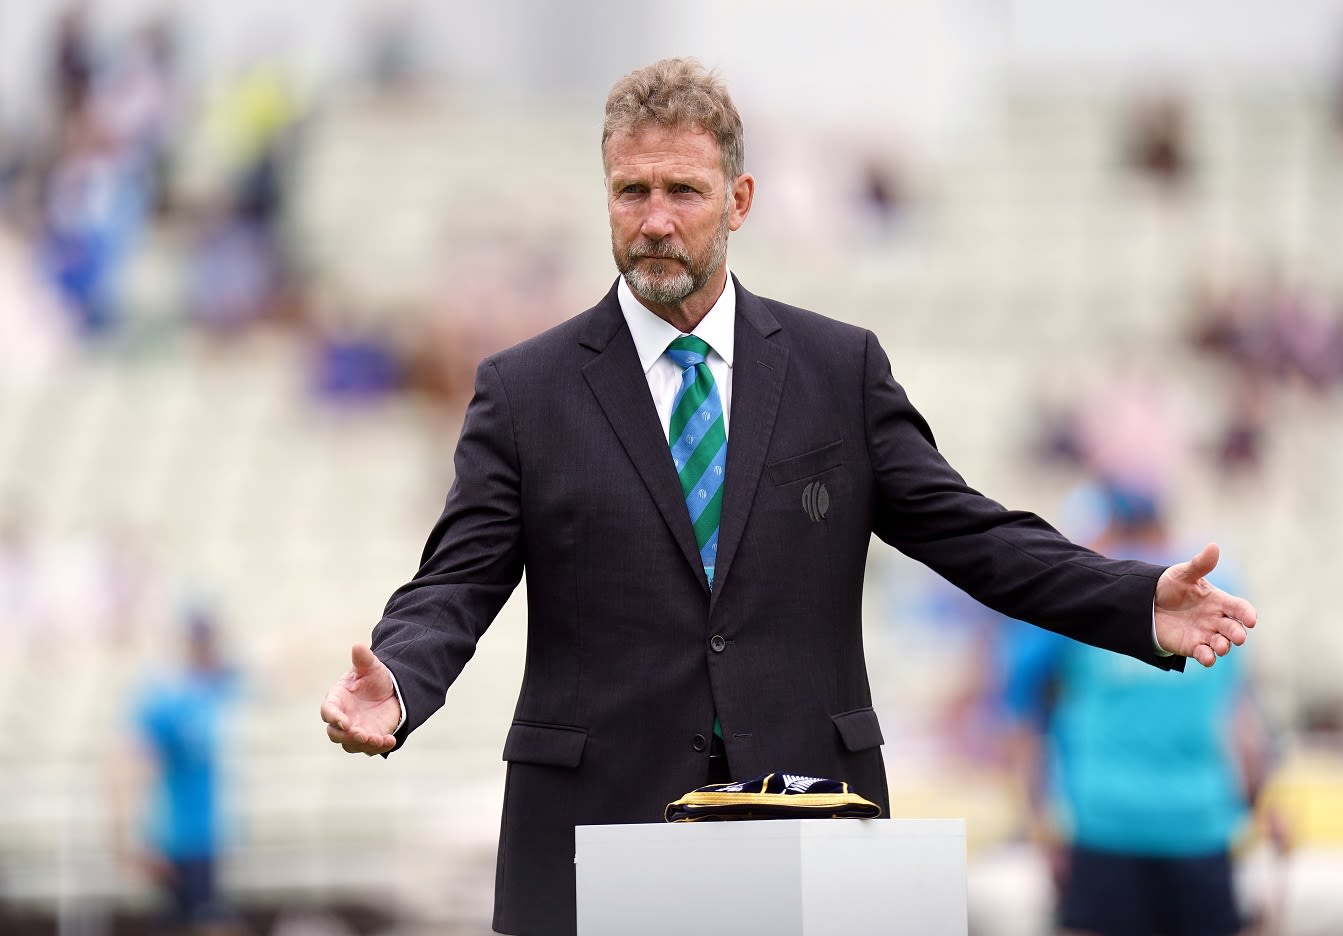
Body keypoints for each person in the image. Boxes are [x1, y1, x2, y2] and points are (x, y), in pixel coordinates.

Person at [319, 58, 1257, 936]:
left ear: (739, 200)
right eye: (630, 191)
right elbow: (457, 580)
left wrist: (1134, 601)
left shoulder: (836, 369)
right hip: (590, 829)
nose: (653, 219)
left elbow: (973, 535)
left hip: (814, 828)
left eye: (682, 191)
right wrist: (398, 680)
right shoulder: (524, 392)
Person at [1003, 483, 1276, 936]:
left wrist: (1036, 826)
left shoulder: (1079, 597)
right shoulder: (1220, 594)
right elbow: (1242, 724)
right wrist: (1258, 812)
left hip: (1105, 828)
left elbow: (1022, 721)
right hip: (1200, 826)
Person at [117, 608, 241, 934]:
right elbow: (132, 768)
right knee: (204, 920)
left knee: (197, 918)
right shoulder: (167, 700)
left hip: (203, 838)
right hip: (175, 840)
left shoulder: (210, 691)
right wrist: (133, 837)